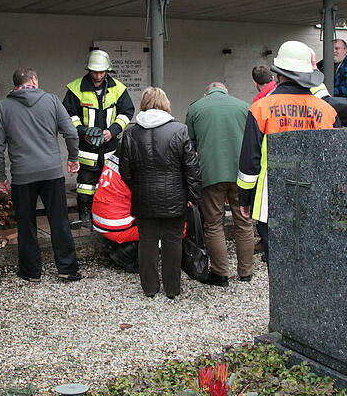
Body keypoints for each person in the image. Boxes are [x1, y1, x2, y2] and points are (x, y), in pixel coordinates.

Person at [237, 41, 340, 264]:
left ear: (279, 74)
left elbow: (250, 162)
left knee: (278, 259)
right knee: (309, 258)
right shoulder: (327, 110)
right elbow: (334, 159)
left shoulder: (261, 108)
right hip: (314, 196)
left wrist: (244, 198)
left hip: (270, 199)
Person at [0, 67, 82, 282]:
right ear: (34, 80)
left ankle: (31, 271)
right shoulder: (52, 100)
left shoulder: (3, 107)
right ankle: (67, 268)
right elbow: (71, 132)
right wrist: (73, 157)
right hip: (51, 171)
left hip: (22, 175)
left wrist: (1, 175)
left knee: (26, 224)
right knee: (59, 221)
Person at [118, 87, 201, 299]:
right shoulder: (180, 130)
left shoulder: (130, 133)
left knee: (147, 241)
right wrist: (193, 197)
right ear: (165, 103)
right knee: (173, 241)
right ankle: (172, 288)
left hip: (144, 197)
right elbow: (191, 169)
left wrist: (138, 188)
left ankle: (149, 287)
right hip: (175, 197)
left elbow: (125, 171)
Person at [186, 82, 253, 285]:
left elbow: (189, 144)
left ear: (206, 93)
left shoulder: (196, 108)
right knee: (244, 222)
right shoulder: (244, 107)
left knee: (213, 224)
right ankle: (246, 272)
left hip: (210, 173)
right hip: (241, 174)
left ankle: (220, 273)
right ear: (226, 92)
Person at [63, 49, 135, 228]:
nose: (98, 76)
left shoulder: (118, 88)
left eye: (102, 72)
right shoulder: (75, 89)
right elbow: (68, 115)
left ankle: (108, 217)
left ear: (107, 71)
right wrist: (83, 132)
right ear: (89, 70)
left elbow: (127, 113)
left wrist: (112, 131)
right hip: (86, 148)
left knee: (111, 183)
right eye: (95, 72)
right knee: (85, 184)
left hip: (110, 148)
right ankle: (85, 217)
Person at [92, 153, 139, 273]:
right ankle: (124, 254)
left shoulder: (119, 154)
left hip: (101, 217)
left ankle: (116, 245)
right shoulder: (137, 161)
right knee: (165, 227)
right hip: (116, 224)